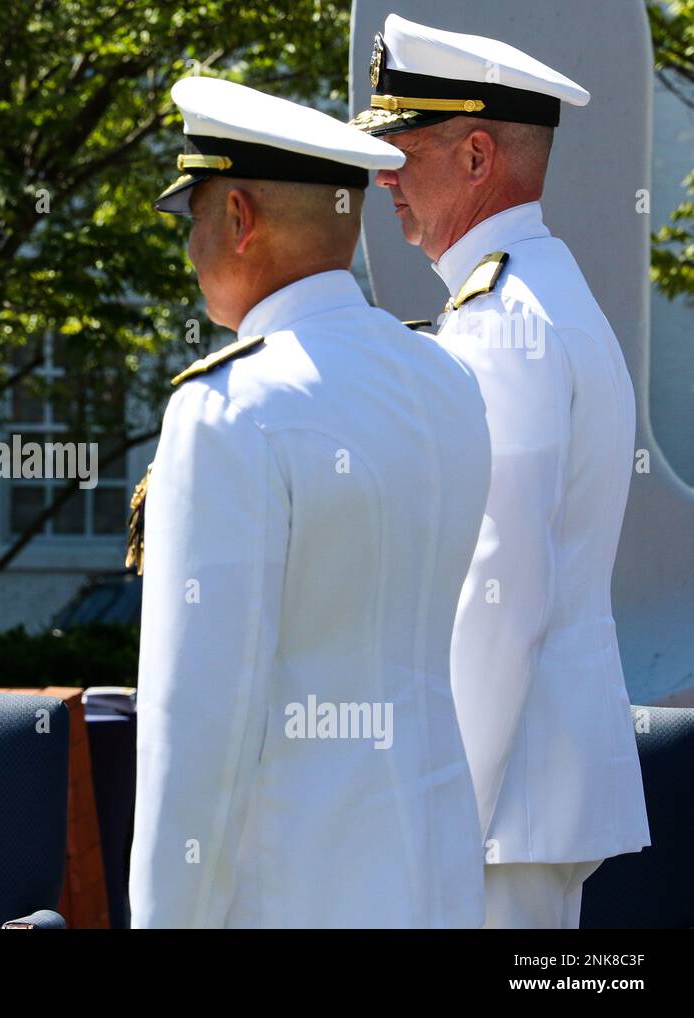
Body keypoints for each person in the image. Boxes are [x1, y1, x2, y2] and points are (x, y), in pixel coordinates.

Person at [128, 77, 491, 927]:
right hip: (438, 875)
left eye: (194, 219)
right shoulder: (446, 379)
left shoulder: (227, 409)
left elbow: (198, 735)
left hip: (292, 895)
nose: (189, 250)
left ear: (240, 219)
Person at [352, 14, 650, 929]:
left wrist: (448, 811)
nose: (381, 178)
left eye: (402, 150)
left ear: (478, 157)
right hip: (530, 796)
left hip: (498, 808)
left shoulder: (499, 323)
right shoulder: (539, 293)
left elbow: (498, 585)